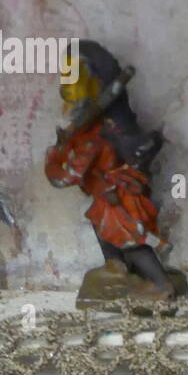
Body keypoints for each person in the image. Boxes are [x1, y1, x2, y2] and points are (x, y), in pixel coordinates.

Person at [45, 40, 174, 298]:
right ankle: (116, 267)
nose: (64, 90)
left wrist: (58, 155)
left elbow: (68, 175)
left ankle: (161, 285)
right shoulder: (90, 127)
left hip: (120, 193)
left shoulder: (100, 134)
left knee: (129, 239)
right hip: (107, 194)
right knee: (100, 225)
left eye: (73, 79)